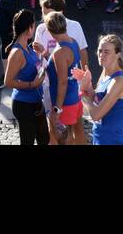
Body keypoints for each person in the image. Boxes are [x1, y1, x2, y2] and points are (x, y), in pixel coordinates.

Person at [3, 8, 48, 145]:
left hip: (35, 101)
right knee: (28, 141)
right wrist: (31, 85)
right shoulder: (17, 52)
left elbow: (34, 67)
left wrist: (43, 53)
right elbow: (8, 81)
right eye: (33, 26)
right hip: (24, 104)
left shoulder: (29, 47)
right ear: (29, 28)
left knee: (44, 139)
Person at [77, 33, 123, 145]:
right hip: (99, 138)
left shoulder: (119, 81)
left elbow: (96, 114)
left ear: (117, 54)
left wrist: (82, 93)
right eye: (100, 51)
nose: (101, 55)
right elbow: (97, 100)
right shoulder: (105, 73)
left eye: (107, 52)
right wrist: (88, 85)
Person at [43, 9, 85, 145]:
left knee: (64, 139)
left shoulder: (60, 52)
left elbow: (62, 82)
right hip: (75, 97)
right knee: (74, 135)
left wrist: (57, 109)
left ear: (50, 31)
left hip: (65, 102)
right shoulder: (73, 42)